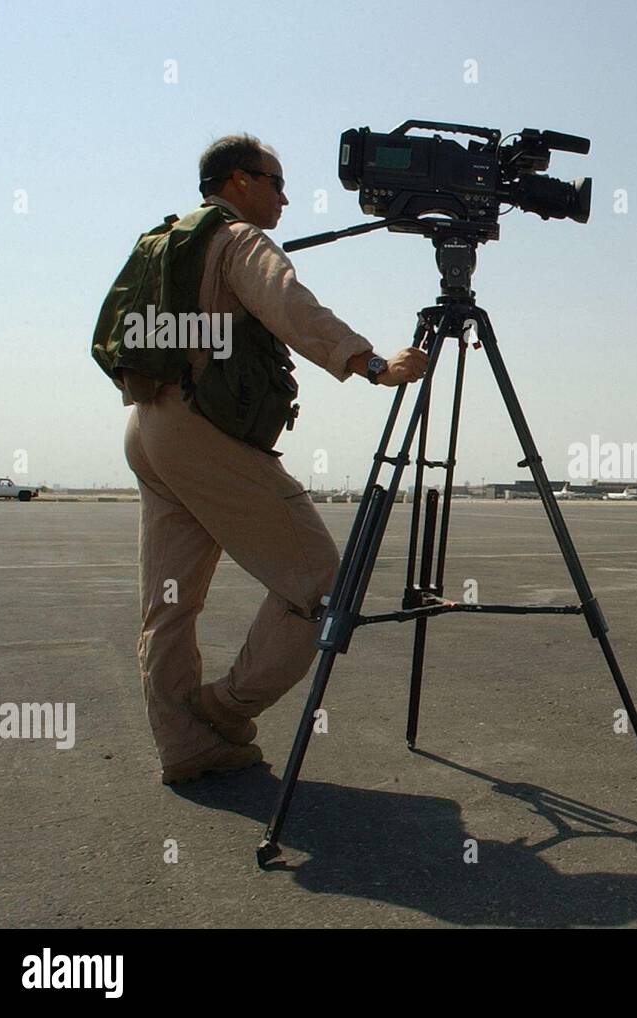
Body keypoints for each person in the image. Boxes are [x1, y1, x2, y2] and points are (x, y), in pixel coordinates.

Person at [119, 134, 427, 784]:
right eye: (274, 181)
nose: (285, 196)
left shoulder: (173, 237)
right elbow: (287, 302)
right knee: (320, 581)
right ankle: (225, 711)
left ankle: (186, 745)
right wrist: (371, 363)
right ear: (238, 181)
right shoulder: (237, 239)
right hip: (203, 433)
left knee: (169, 603)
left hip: (149, 424)